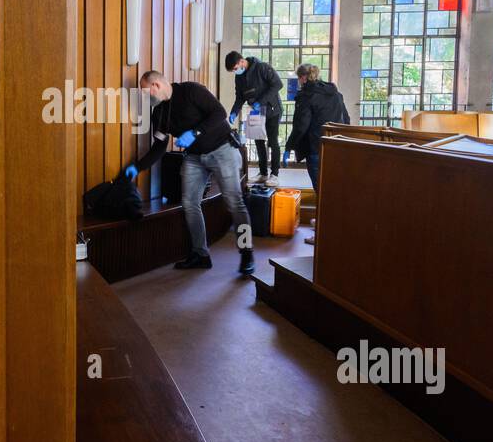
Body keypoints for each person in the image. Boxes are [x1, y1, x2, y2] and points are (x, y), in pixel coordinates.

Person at [124, 71, 255, 275]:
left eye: (145, 91)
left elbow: (219, 113)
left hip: (222, 150)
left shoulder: (191, 91)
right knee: (189, 203)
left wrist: (194, 133)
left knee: (234, 202)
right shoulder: (158, 113)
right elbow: (159, 146)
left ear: (156, 85)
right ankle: (200, 254)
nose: (145, 97)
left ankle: (246, 252)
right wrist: (138, 167)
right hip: (194, 158)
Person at [282, 64, 349, 192]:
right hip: (336, 145)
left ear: (303, 78)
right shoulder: (335, 93)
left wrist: (289, 146)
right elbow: (346, 119)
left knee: (320, 188)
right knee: (335, 186)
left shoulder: (306, 96)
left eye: (299, 78)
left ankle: (324, 211)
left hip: (315, 146)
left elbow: (301, 125)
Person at [224, 51, 284, 187]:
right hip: (255, 111)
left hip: (272, 110)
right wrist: (234, 112)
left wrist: (260, 101)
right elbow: (240, 97)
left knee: (273, 141)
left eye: (235, 68)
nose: (235, 71)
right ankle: (263, 174)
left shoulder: (262, 67)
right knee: (258, 141)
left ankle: (274, 174)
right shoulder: (239, 77)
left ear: (241, 62)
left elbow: (278, 85)